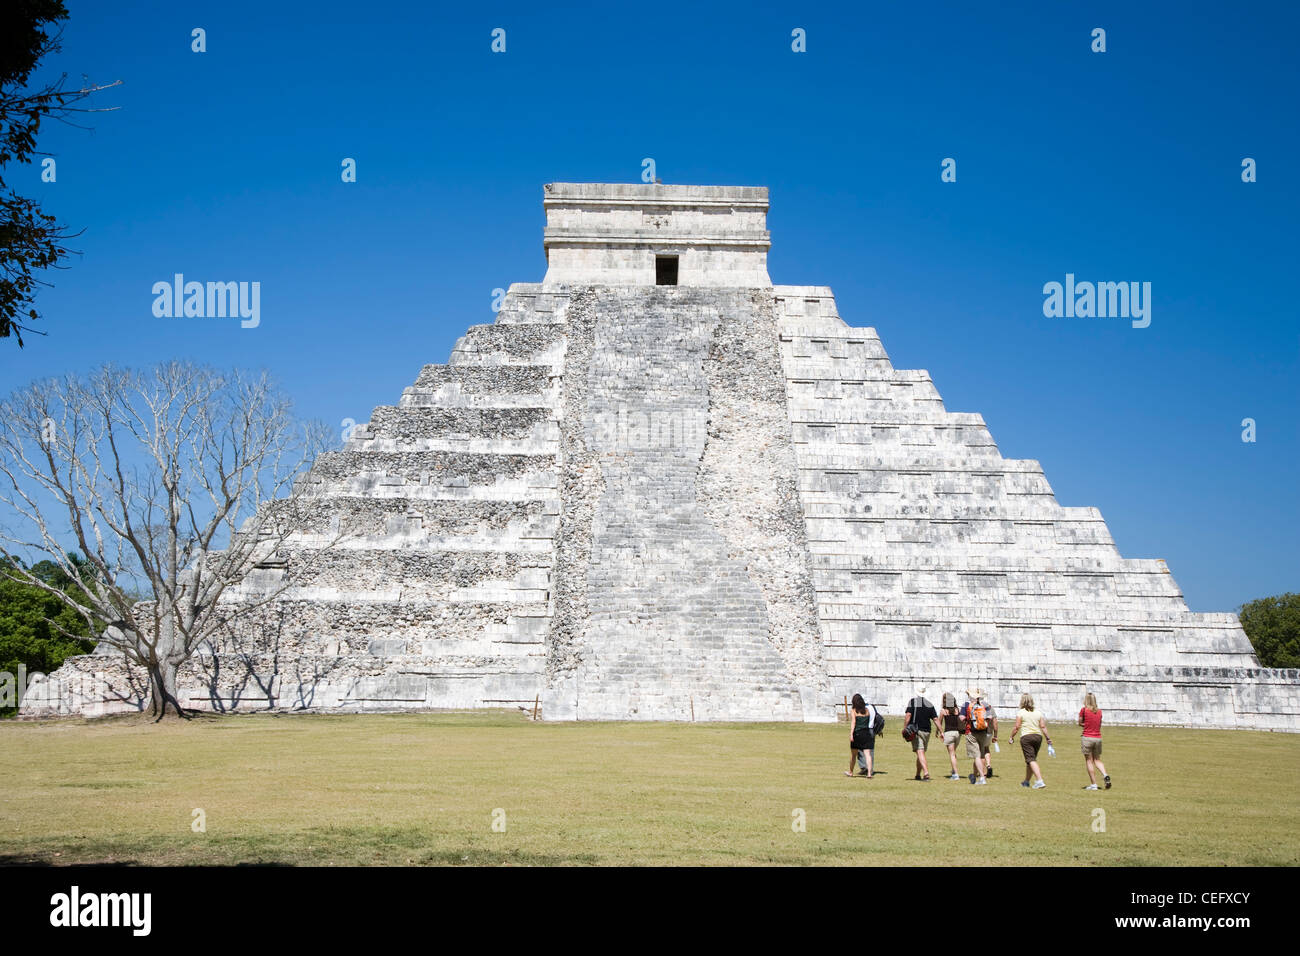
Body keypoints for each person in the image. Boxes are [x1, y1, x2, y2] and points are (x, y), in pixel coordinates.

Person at [1008, 693, 1051, 789]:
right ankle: (1026, 782)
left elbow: (1017, 727)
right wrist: (1048, 738)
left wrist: (1011, 737)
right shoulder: (1038, 712)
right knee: (1030, 760)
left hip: (1026, 737)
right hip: (1038, 737)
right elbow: (1043, 726)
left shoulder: (1021, 713)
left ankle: (1040, 780)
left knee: (1031, 760)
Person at [961, 688, 997, 785]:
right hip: (983, 732)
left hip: (971, 732)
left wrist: (967, 720)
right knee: (981, 754)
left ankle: (982, 778)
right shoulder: (985, 705)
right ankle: (974, 774)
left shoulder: (966, 705)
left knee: (976, 756)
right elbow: (990, 718)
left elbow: (961, 718)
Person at [904, 687, 940, 781]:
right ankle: (917, 775)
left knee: (920, 752)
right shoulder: (929, 704)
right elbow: (935, 719)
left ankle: (926, 773)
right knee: (921, 753)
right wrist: (941, 730)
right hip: (927, 731)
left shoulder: (913, 702)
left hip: (916, 731)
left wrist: (905, 727)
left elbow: (908, 715)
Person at [1078, 692, 1111, 790]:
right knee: (1097, 760)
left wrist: (1086, 725)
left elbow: (1080, 723)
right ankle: (1105, 774)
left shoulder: (1084, 710)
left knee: (1089, 761)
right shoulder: (1099, 712)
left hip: (1087, 737)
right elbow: (1098, 724)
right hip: (1098, 738)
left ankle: (1094, 784)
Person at [845, 693, 877, 778]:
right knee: (868, 754)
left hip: (857, 733)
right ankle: (869, 773)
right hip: (866, 733)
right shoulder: (867, 710)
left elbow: (853, 722)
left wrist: (851, 734)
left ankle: (851, 772)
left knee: (853, 755)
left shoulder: (854, 711)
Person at [938, 691, 964, 780]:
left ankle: (956, 774)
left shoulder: (943, 711)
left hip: (948, 733)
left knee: (951, 754)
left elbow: (939, 722)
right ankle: (953, 770)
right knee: (953, 753)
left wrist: (939, 732)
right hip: (957, 734)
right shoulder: (958, 709)